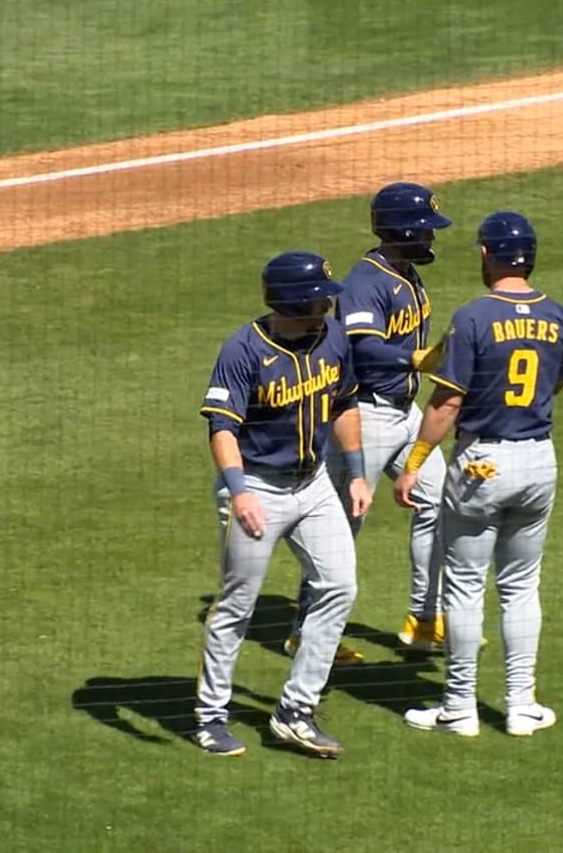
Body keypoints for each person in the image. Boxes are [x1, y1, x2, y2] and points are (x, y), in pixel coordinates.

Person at [395, 211, 563, 738]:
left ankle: (458, 707)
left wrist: (414, 463)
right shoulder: (558, 315)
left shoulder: (474, 317)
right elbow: (559, 380)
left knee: (465, 586)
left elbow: (448, 401)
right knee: (521, 586)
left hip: (482, 462)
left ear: (485, 255)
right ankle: (521, 706)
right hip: (539, 458)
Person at [191, 250, 372, 759]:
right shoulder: (243, 350)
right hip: (255, 487)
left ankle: (295, 712)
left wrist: (356, 475)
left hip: (313, 485)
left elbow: (344, 404)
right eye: (320, 296)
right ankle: (209, 718)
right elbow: (221, 427)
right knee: (236, 605)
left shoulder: (333, 337)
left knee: (339, 585)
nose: (328, 304)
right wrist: (239, 491)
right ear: (295, 300)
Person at [283, 181, 456, 660]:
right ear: (401, 230)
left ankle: (423, 619)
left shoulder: (404, 274)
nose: (432, 238)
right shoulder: (367, 280)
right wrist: (418, 358)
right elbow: (361, 345)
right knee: (340, 527)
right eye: (425, 230)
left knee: (438, 501)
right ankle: (307, 631)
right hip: (364, 413)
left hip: (405, 414)